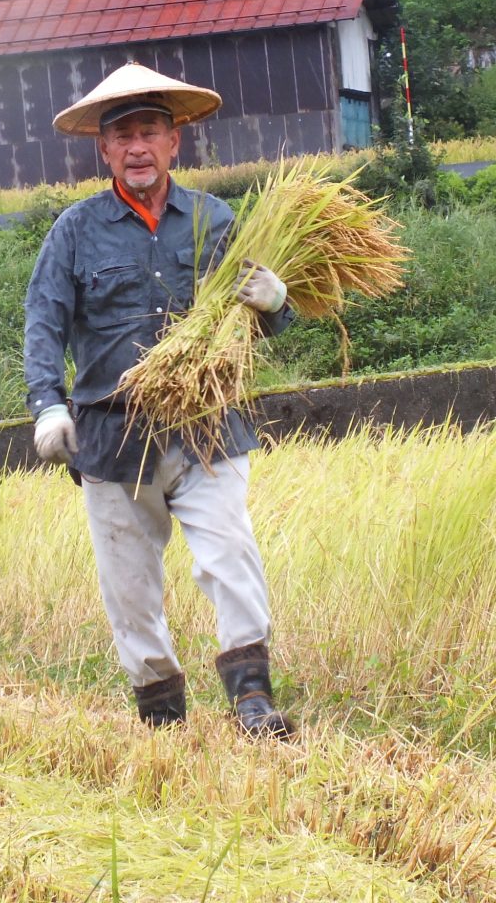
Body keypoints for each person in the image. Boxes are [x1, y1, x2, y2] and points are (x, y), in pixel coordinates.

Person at [23, 62, 297, 738]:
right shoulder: (75, 231)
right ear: (105, 150)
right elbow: (44, 321)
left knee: (229, 553)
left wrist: (276, 304)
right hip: (112, 437)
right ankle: (162, 712)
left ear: (175, 142)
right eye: (123, 135)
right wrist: (48, 405)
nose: (137, 146)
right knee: (130, 588)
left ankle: (253, 700)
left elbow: (256, 323)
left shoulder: (215, 219)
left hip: (207, 425)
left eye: (150, 131)